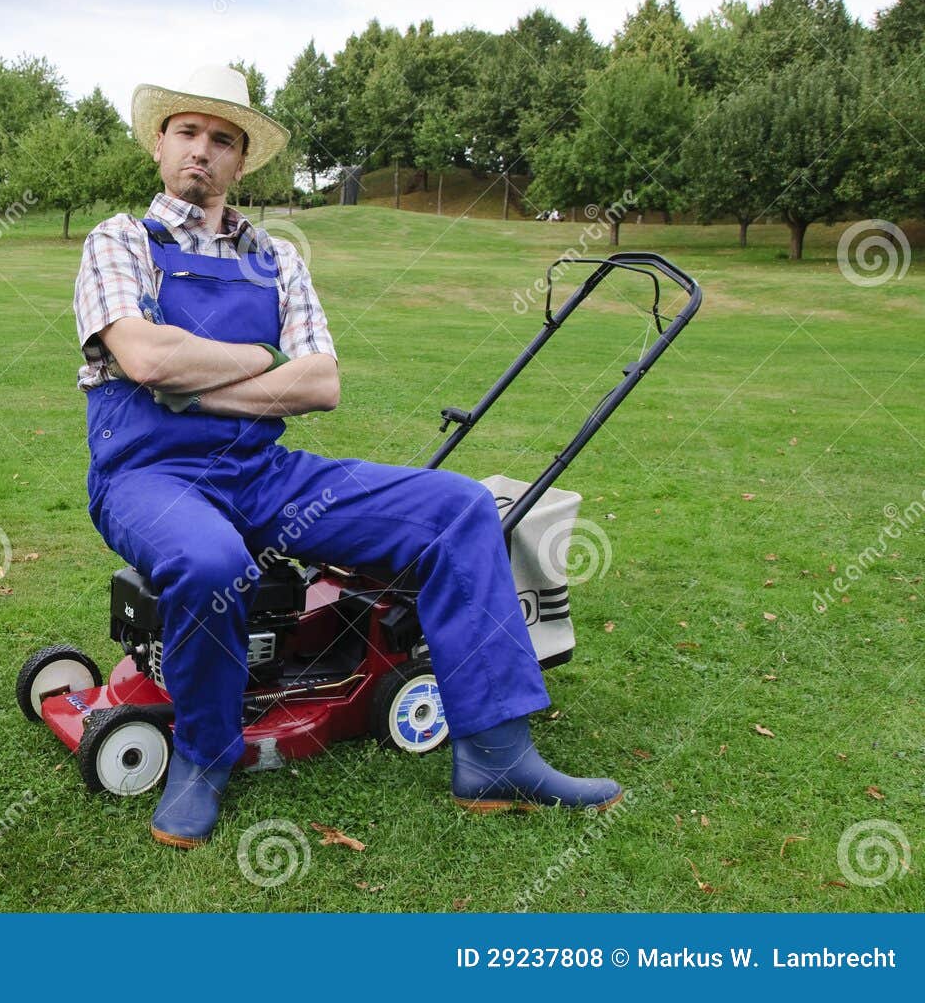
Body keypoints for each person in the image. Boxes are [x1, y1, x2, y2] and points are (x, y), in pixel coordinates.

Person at [72, 66, 622, 850]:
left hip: (262, 474)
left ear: (241, 159)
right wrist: (260, 361)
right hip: (147, 477)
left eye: (222, 139)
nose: (202, 151)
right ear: (160, 143)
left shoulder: (278, 260)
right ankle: (201, 755)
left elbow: (320, 381)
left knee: (460, 505)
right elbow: (145, 357)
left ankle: (497, 753)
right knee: (207, 560)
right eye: (188, 132)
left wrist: (202, 384)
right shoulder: (119, 241)